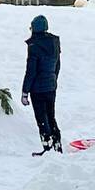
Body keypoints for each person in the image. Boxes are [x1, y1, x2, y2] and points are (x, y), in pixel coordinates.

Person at [22, 15, 62, 154]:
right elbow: (57, 65)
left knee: (42, 118)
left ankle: (48, 147)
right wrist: (53, 79)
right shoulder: (54, 42)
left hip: (38, 89)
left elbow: (31, 71)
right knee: (51, 116)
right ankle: (57, 145)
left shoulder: (34, 46)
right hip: (51, 86)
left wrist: (25, 91)